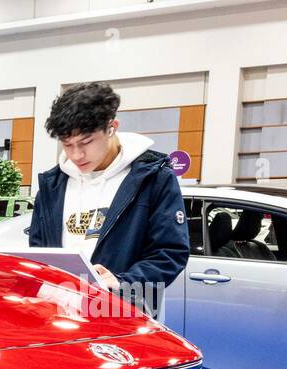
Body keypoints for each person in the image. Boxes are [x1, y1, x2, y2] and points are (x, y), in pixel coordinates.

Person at [29, 82, 189, 318]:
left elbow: (169, 252)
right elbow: (39, 248)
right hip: (59, 316)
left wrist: (122, 283)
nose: (76, 155)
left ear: (112, 127)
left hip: (124, 312)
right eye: (67, 144)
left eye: (85, 142)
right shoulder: (53, 185)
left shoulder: (153, 179)